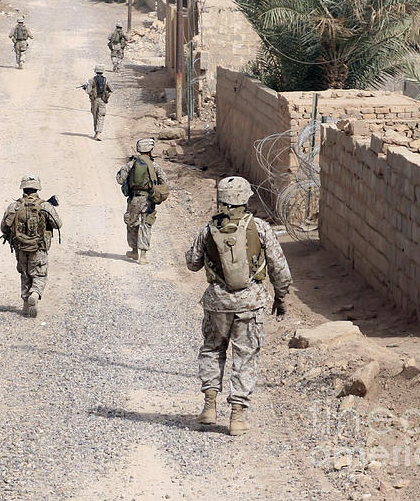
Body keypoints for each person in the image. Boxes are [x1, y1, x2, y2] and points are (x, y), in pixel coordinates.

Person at [185, 176, 292, 436]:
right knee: (245, 356)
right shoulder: (261, 228)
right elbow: (280, 269)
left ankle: (209, 407)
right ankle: (237, 417)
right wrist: (281, 296)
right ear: (245, 199)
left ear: (221, 199)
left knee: (212, 350)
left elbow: (192, 262)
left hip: (217, 304)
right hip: (250, 303)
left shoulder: (209, 228)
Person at [0, 175, 62, 317]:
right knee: (39, 274)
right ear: (37, 188)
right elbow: (58, 224)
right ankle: (35, 293)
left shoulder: (14, 206)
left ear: (23, 188)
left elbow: (4, 227)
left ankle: (25, 305)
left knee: (25, 274)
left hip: (21, 248)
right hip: (38, 248)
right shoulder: (45, 206)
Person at [116, 138, 168, 264]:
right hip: (148, 200)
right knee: (146, 225)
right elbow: (165, 182)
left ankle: (134, 251)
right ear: (150, 150)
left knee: (132, 223)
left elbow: (120, 180)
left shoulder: (131, 164)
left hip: (134, 199)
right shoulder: (154, 166)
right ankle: (143, 256)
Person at [84, 65, 113, 141]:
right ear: (102, 71)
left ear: (95, 71)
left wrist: (85, 87)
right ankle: (98, 133)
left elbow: (88, 91)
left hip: (94, 100)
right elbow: (111, 89)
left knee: (95, 116)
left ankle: (96, 132)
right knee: (101, 116)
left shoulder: (91, 80)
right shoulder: (106, 80)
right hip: (102, 100)